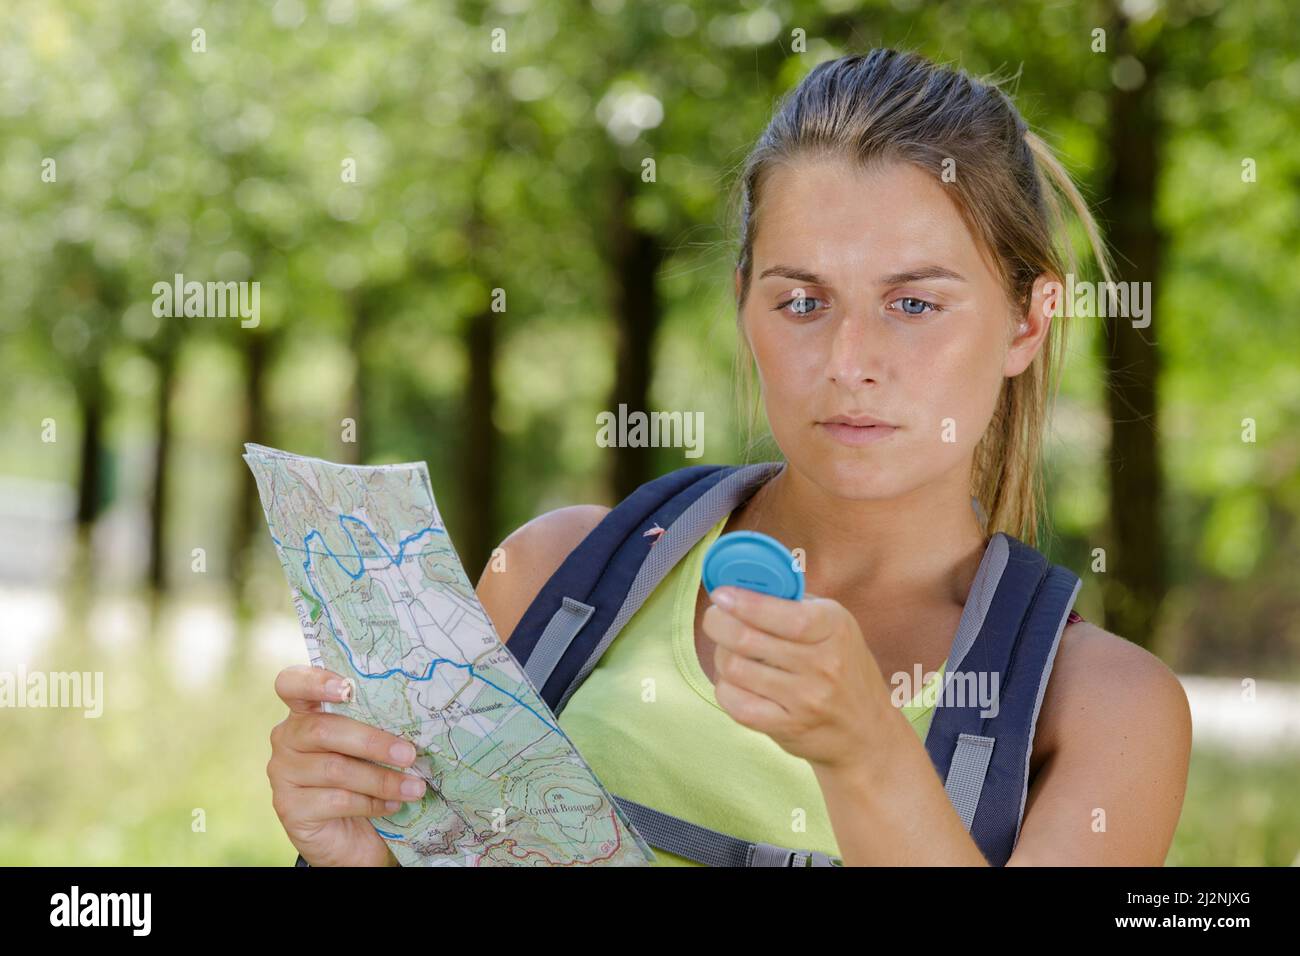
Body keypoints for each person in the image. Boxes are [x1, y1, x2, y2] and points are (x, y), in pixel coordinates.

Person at [266, 48, 1192, 867]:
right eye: (802, 301)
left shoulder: (1108, 708)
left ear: (1030, 321)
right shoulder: (553, 574)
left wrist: (866, 753)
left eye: (914, 304)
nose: (848, 364)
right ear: (744, 301)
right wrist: (358, 856)